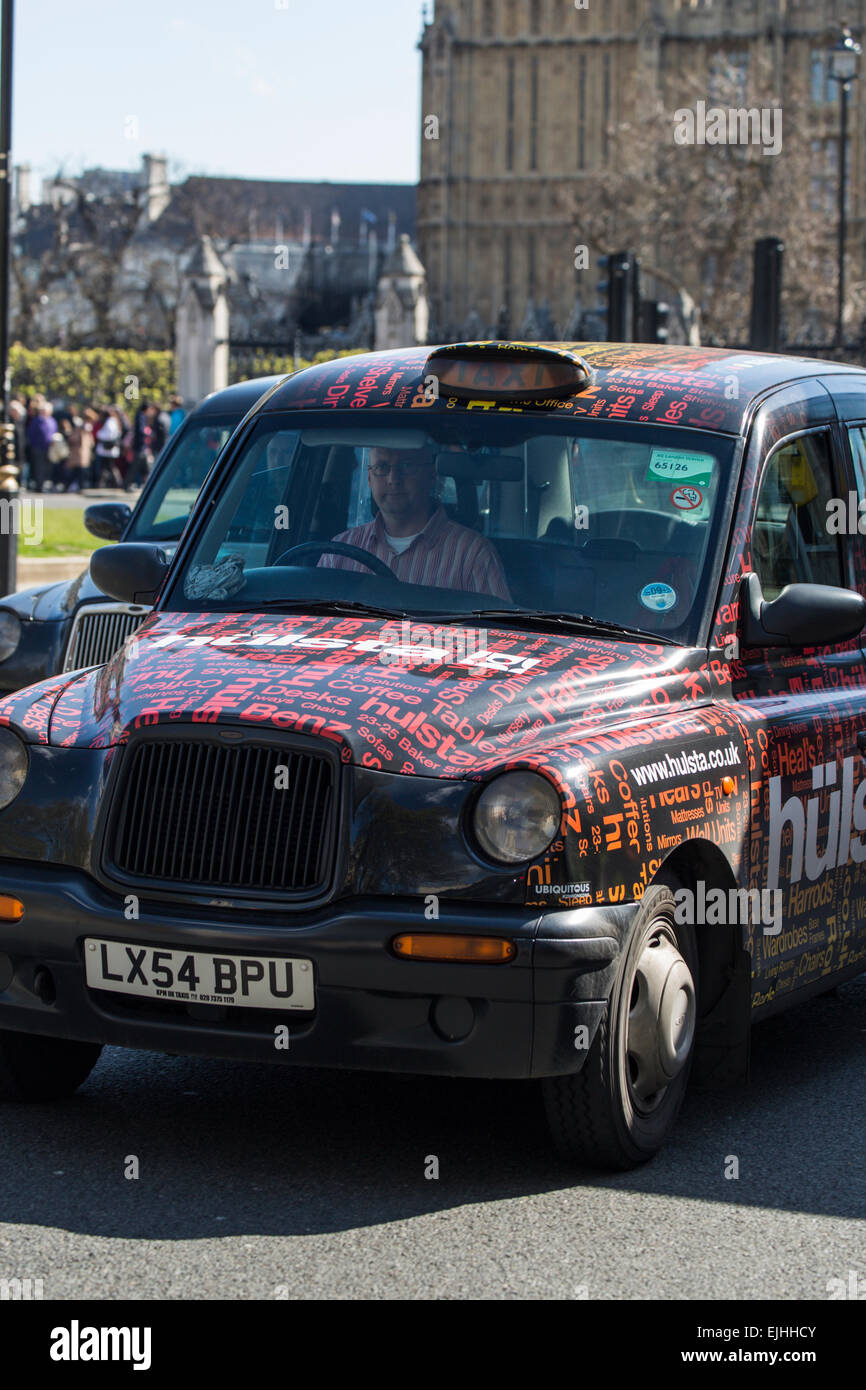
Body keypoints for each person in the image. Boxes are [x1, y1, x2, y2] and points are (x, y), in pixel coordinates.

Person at [319, 444, 511, 599]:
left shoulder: (472, 554)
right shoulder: (338, 552)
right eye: (382, 468)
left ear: (431, 476)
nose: (394, 479)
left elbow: (498, 635)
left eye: (407, 466)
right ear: (369, 478)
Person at [25, 397, 58, 493]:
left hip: (49, 448)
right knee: (38, 467)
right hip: (38, 447)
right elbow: (31, 434)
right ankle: (39, 485)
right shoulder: (36, 421)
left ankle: (43, 484)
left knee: (47, 467)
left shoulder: (52, 421)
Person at [93, 406, 124, 488]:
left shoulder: (110, 422)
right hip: (108, 450)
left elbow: (109, 435)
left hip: (108, 449)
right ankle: (102, 483)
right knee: (106, 467)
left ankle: (117, 483)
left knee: (110, 467)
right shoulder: (113, 421)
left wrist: (99, 434)